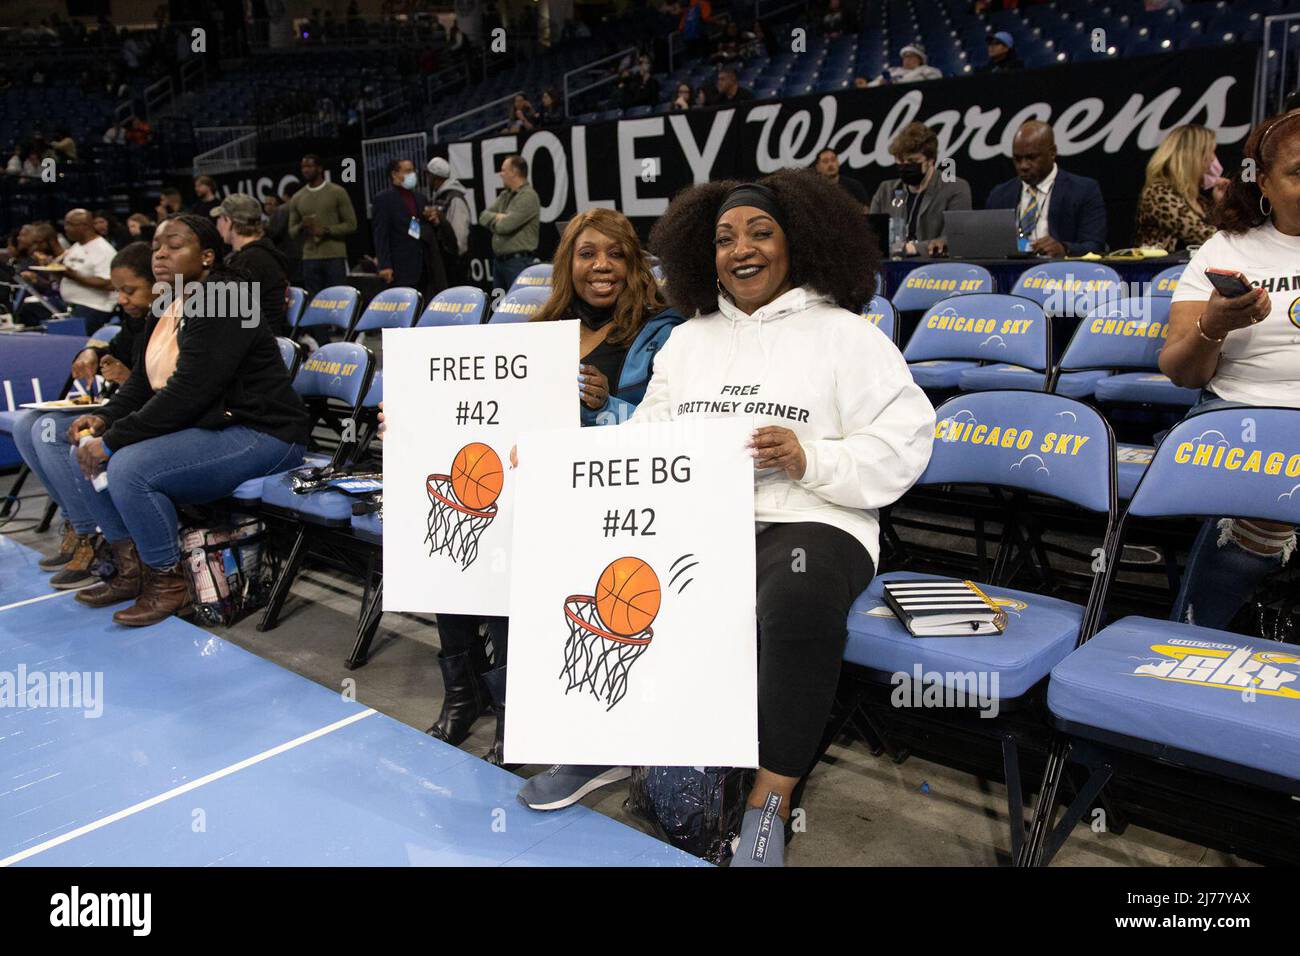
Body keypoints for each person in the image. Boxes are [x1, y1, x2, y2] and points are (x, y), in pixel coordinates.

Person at [517, 171, 935, 866]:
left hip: (813, 517)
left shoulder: (849, 337)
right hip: (697, 516)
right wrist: (560, 467)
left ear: (796, 242)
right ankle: (599, 742)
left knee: (797, 600)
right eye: (723, 238)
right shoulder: (690, 341)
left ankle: (770, 799)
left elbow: (905, 444)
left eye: (760, 233)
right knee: (590, 561)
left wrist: (810, 458)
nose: (741, 249)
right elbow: (645, 438)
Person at [378, 208, 685, 766]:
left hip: (605, 500)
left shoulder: (659, 333)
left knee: (504, 545)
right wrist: (407, 422)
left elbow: (664, 433)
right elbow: (474, 417)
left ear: (635, 264)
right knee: (460, 549)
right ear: (567, 262)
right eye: (587, 253)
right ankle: (463, 696)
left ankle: (512, 713)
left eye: (616, 254)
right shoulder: (539, 332)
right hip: (531, 485)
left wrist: (603, 406)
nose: (602, 266)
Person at [66, 215, 310, 627]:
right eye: (157, 245)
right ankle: (131, 569)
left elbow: (189, 392)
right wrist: (105, 419)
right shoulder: (168, 302)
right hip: (211, 426)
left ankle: (169, 584)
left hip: (262, 431)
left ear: (208, 256)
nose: (160, 253)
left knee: (128, 467)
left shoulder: (227, 297)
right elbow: (144, 381)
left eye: (174, 245)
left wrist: (113, 442)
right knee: (80, 445)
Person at [1160, 110, 1300, 630]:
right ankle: (1193, 645)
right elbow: (1180, 371)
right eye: (1299, 172)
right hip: (1242, 418)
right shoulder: (1228, 250)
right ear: (1262, 181)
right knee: (1257, 491)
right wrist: (1213, 325)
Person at [14, 242, 151, 588]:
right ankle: (78, 524)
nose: (120, 299)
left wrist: (127, 377)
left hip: (148, 411)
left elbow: (166, 384)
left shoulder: (170, 317)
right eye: (118, 290)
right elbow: (114, 347)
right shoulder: (136, 318)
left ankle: (93, 535)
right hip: (126, 404)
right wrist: (91, 351)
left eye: (128, 290)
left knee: (50, 431)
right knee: (26, 425)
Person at [985, 120, 1107, 257]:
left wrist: (1064, 249)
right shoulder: (999, 195)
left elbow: (1095, 246)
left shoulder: (1083, 190)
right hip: (1011, 273)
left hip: (1062, 273)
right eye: (1017, 159)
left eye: (1031, 157)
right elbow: (988, 247)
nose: (1023, 166)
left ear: (1053, 152)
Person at [868, 122, 973, 256]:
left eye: (912, 161)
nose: (905, 166)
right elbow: (869, 235)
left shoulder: (955, 188)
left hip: (936, 270)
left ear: (930, 160)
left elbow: (957, 237)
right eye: (900, 161)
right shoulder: (886, 190)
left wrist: (914, 248)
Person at [1134, 124, 1226, 252]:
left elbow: (1221, 232)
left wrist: (1221, 203)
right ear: (1194, 156)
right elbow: (1206, 236)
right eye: (1211, 152)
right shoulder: (1159, 194)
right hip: (1163, 271)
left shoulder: (1199, 201)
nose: (1213, 159)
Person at [212, 193, 292, 337]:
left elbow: (230, 313)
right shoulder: (252, 256)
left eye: (220, 218)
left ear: (229, 221)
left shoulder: (251, 261)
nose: (217, 224)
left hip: (255, 344)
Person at [288, 153, 358, 295]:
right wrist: (302, 225)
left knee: (338, 298)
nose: (305, 170)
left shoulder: (337, 192)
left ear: (319, 168)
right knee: (314, 301)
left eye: (309, 166)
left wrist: (326, 230)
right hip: (309, 258)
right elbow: (292, 231)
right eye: (303, 167)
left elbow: (351, 224)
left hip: (334, 256)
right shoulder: (297, 197)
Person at [479, 154, 540, 294]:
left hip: (517, 264)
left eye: (503, 170)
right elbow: (482, 216)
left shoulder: (528, 197)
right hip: (499, 263)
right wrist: (498, 217)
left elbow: (504, 226)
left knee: (518, 307)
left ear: (514, 172)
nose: (500, 174)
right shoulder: (504, 195)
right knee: (498, 307)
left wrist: (498, 220)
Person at [372, 158, 432, 292]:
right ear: (394, 174)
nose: (413, 174)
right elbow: (381, 235)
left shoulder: (420, 198)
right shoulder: (384, 199)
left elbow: (419, 227)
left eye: (413, 170)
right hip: (399, 267)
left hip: (422, 266)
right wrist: (385, 265)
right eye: (408, 171)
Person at [57, 208, 118, 333]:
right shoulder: (76, 246)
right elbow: (65, 274)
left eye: (70, 224)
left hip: (94, 307)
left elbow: (110, 283)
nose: (66, 228)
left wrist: (73, 276)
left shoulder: (103, 250)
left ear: (84, 226)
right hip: (72, 305)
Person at [425, 157, 472, 287]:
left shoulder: (455, 198)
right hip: (444, 262)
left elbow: (460, 236)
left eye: (429, 175)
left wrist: (457, 261)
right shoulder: (439, 197)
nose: (427, 178)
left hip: (455, 265)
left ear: (435, 177)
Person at [869, 44, 943, 86]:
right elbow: (875, 83)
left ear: (920, 59)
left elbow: (936, 84)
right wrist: (868, 85)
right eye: (905, 57)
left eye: (910, 56)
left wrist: (894, 82)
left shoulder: (927, 70)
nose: (907, 59)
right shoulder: (893, 70)